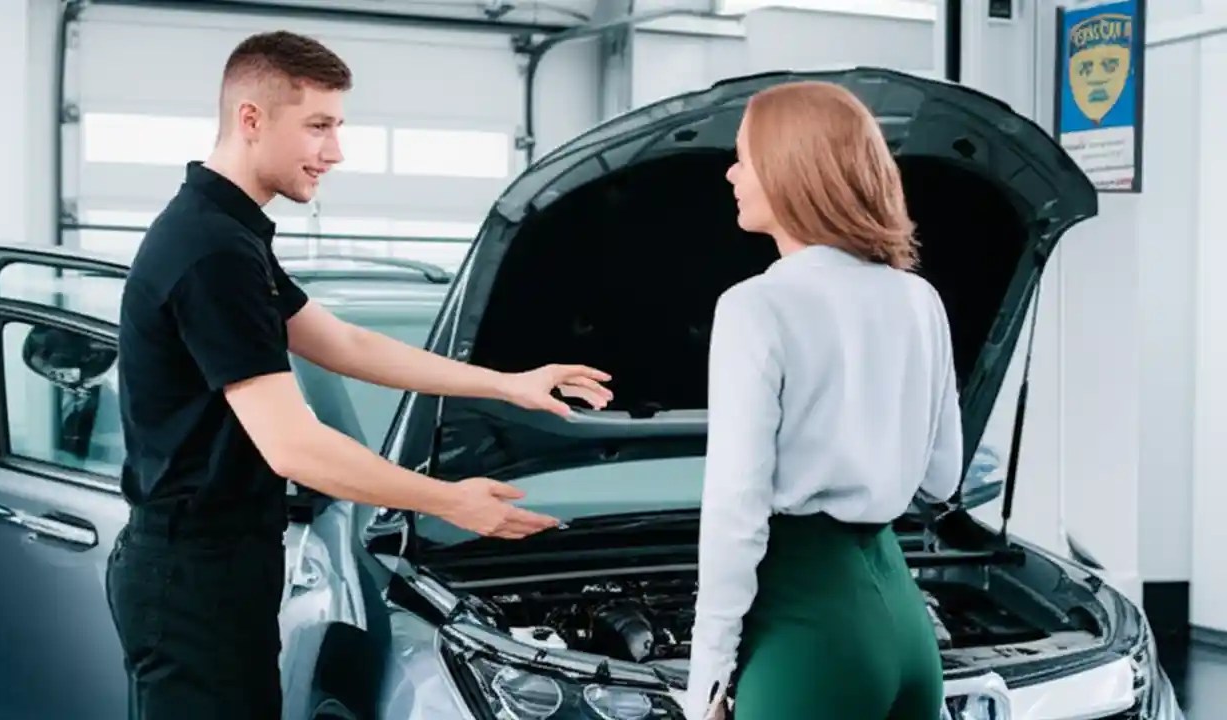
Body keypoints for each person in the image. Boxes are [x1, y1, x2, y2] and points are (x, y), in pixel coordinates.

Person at [106, 30, 613, 720]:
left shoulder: (229, 231)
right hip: (193, 574)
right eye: (318, 126)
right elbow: (293, 447)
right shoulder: (211, 250)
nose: (335, 152)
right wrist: (447, 500)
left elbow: (344, 342)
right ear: (251, 119)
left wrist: (507, 381)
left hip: (215, 567)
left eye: (337, 127)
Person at [681, 81, 963, 720]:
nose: (730, 174)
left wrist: (707, 682)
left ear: (791, 171)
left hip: (807, 634)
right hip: (904, 622)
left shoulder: (757, 305)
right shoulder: (919, 299)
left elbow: (735, 509)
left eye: (744, 158)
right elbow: (942, 478)